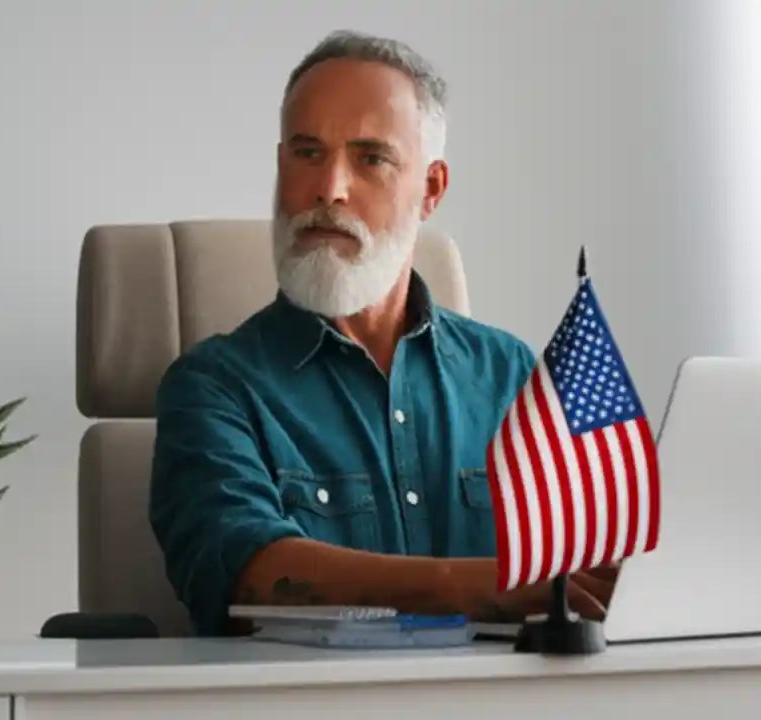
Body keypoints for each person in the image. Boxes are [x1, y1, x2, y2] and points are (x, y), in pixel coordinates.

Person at [149, 30, 613, 636]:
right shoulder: (213, 387)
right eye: (307, 153)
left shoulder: (511, 376)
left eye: (371, 158)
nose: (329, 188)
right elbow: (246, 570)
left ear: (432, 189)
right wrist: (478, 586)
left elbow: (591, 562)